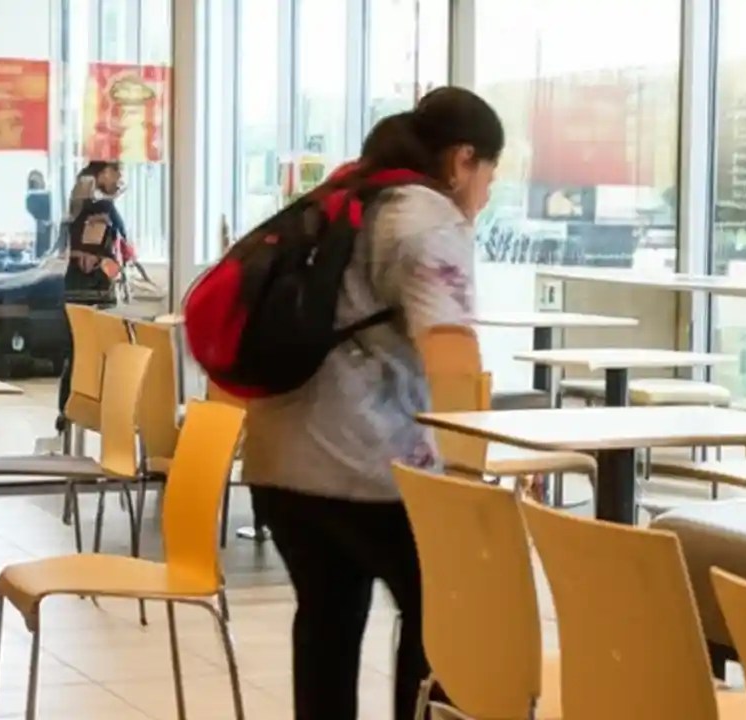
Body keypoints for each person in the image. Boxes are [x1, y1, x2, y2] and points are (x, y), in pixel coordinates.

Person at [243, 87, 502, 720]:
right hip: (366, 462)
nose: (488, 195)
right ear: (464, 160)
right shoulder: (428, 217)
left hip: (280, 460)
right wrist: (477, 469)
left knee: (328, 622)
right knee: (449, 613)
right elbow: (450, 356)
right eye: (491, 175)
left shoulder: (345, 198)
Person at [56, 161, 128, 432]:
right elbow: (119, 238)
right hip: (95, 288)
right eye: (116, 174)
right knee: (102, 353)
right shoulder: (102, 209)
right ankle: (102, 413)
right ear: (104, 173)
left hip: (75, 287)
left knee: (74, 352)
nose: (119, 181)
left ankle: (67, 409)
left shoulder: (75, 206)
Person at [25, 170, 52, 258]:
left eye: (37, 182)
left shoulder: (49, 197)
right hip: (36, 233)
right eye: (33, 182)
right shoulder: (30, 197)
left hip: (47, 232)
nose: (35, 184)